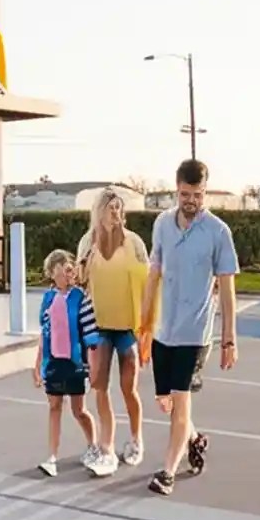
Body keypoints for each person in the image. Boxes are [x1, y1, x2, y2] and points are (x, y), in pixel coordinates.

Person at [140, 159, 239, 496]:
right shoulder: (162, 225)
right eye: (185, 194)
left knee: (180, 407)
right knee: (168, 403)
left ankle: (167, 472)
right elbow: (153, 274)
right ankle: (196, 441)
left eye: (197, 194)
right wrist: (143, 326)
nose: (191, 201)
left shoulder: (218, 232)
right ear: (176, 190)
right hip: (163, 332)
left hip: (195, 336)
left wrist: (229, 340)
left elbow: (227, 289)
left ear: (205, 192)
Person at [75, 188, 150, 476]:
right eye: (110, 208)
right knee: (99, 386)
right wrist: (85, 260)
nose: (115, 213)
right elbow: (80, 281)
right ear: (99, 211)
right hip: (99, 325)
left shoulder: (134, 242)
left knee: (128, 387)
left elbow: (148, 282)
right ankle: (106, 447)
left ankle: (136, 438)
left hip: (127, 326)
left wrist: (146, 327)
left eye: (119, 208)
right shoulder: (88, 241)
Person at [32, 249, 100, 477]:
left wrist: (92, 367)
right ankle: (51, 457)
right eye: (60, 267)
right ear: (52, 273)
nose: (66, 271)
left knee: (79, 410)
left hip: (75, 364)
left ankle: (94, 446)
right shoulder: (48, 299)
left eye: (68, 266)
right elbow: (45, 332)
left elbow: (90, 335)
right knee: (54, 407)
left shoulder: (80, 298)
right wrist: (38, 364)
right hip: (53, 363)